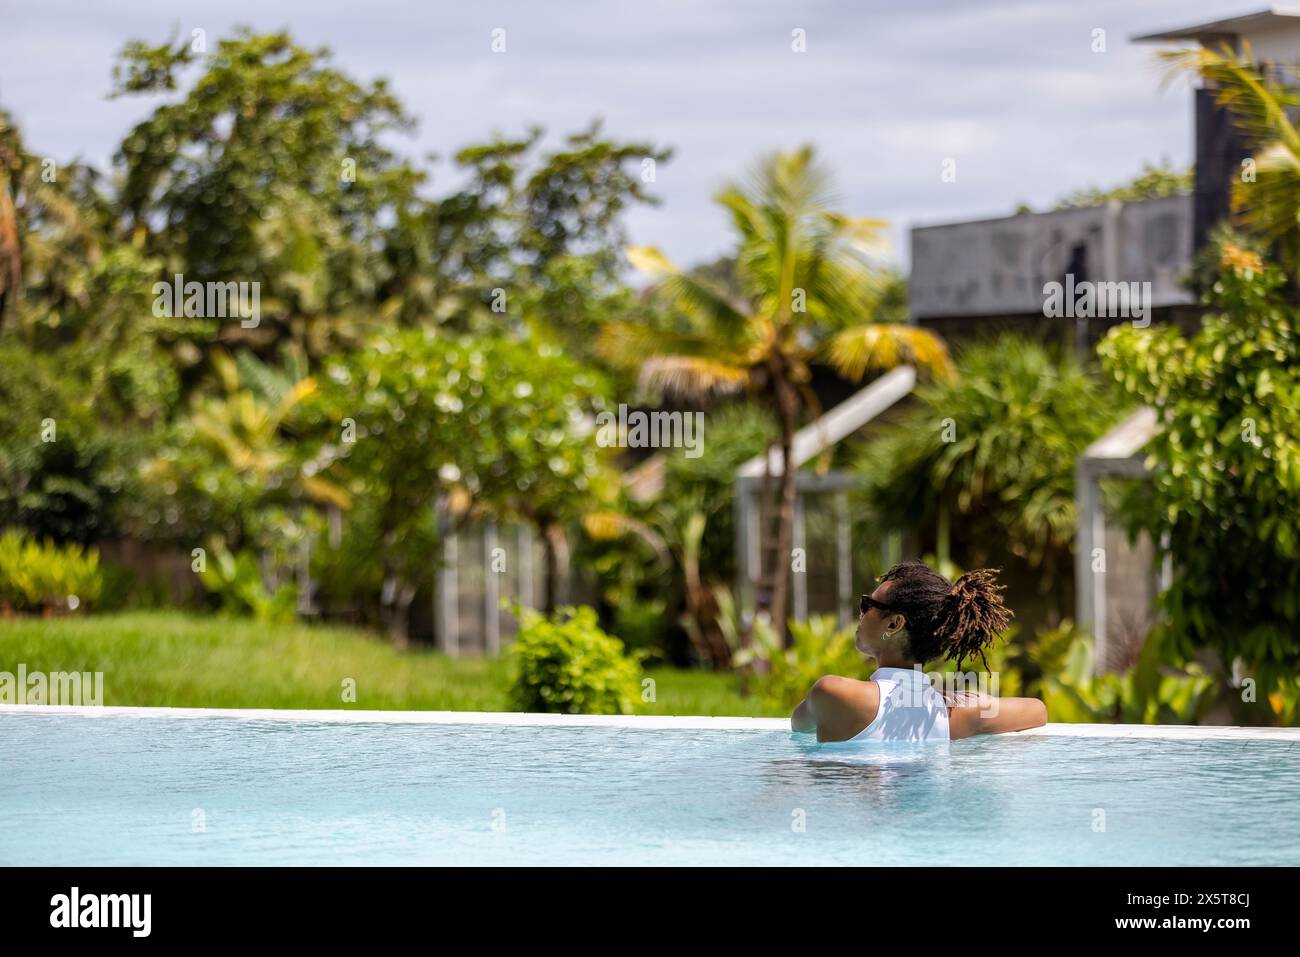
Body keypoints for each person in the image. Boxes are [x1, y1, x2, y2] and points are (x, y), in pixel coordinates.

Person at [791, 560, 1047, 742]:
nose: (861, 613)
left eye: (867, 605)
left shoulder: (835, 692)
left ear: (894, 624)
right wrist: (953, 696)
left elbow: (799, 725)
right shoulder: (962, 712)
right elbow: (1038, 710)